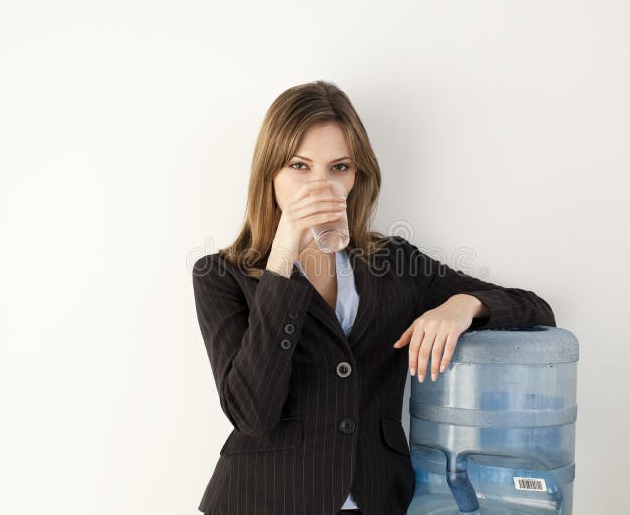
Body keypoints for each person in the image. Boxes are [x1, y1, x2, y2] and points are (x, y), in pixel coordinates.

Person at [191, 80, 556, 515]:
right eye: (300, 166)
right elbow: (251, 413)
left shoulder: (394, 263)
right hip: (260, 500)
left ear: (357, 176)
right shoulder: (222, 274)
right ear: (270, 173)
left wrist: (462, 306)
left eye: (339, 167)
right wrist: (284, 254)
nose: (320, 185)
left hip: (377, 498)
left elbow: (536, 307)